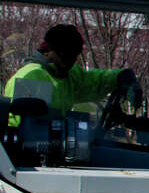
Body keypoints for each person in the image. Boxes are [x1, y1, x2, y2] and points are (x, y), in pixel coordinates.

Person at [4, 24, 140, 125]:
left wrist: (123, 77)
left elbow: (95, 82)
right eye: (64, 56)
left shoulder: (67, 74)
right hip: (33, 156)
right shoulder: (32, 76)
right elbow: (20, 128)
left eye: (73, 57)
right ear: (47, 50)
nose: (67, 63)